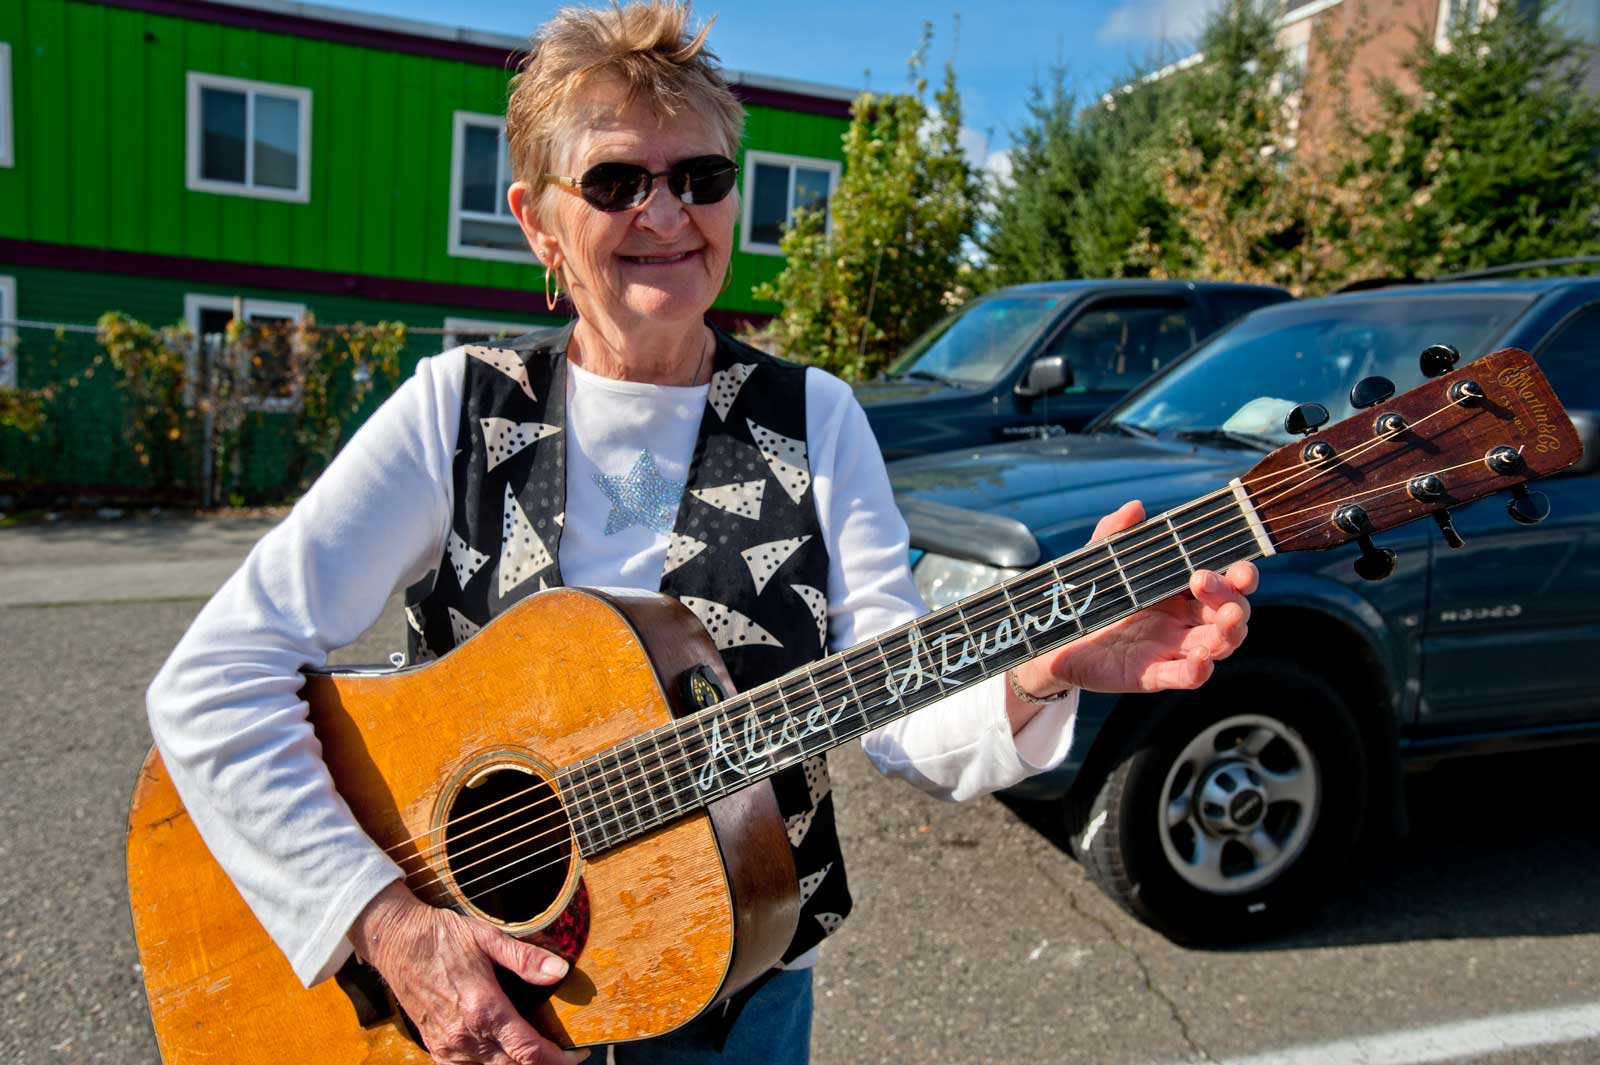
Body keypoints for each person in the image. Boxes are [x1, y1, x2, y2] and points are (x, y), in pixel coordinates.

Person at [144, 4, 1257, 1064]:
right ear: (537, 220)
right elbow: (212, 682)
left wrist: (1034, 671)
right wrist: (388, 926)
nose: (666, 213)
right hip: (470, 1011)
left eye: (701, 178)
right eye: (616, 180)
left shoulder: (813, 417)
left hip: (737, 1001)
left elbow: (896, 709)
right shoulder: (462, 409)